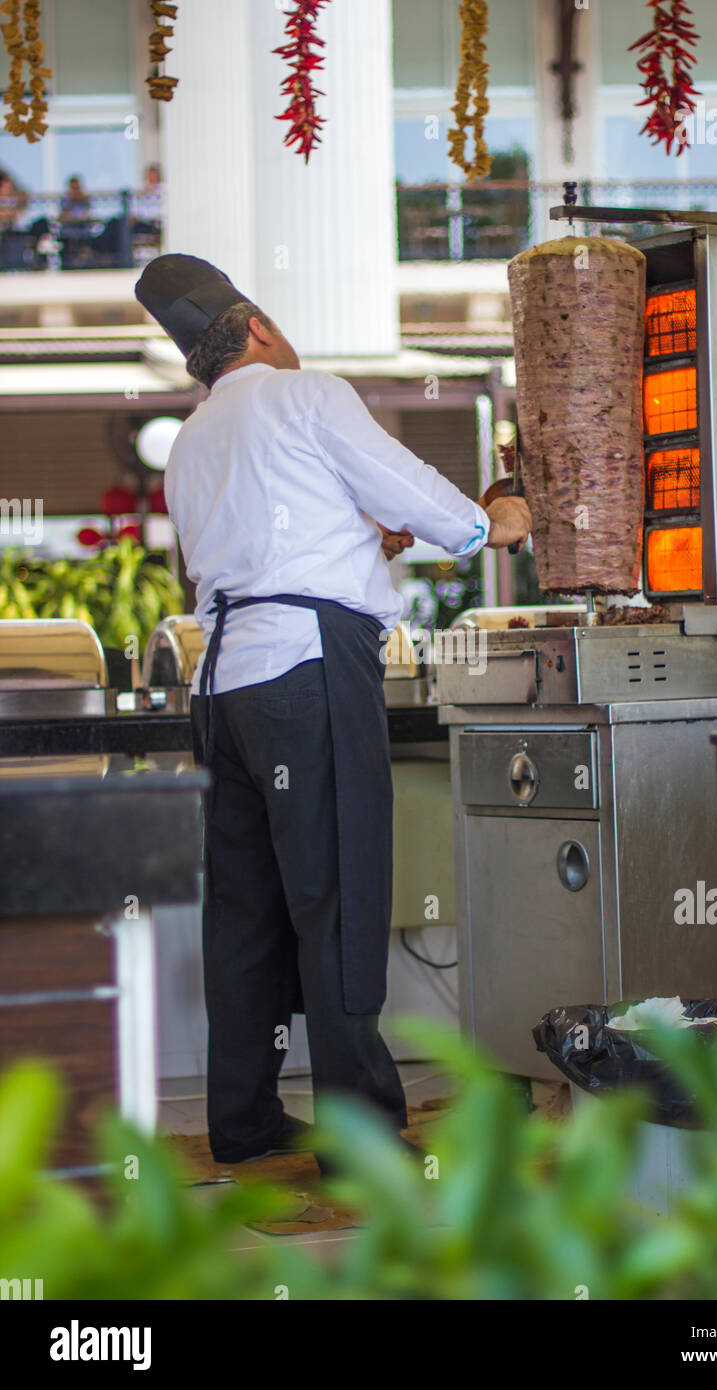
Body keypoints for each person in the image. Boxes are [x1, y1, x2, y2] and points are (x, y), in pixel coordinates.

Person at [135, 254, 531, 1169]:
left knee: (247, 911)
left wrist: (372, 536)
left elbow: (273, 549)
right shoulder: (307, 395)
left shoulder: (192, 441)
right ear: (261, 326)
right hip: (309, 673)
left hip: (224, 684)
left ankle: (242, 1118)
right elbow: (435, 507)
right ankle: (361, 1137)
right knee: (339, 895)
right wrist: (494, 520)